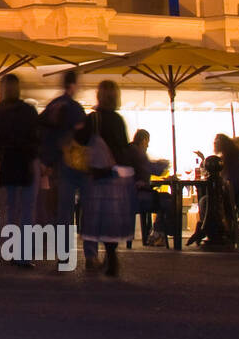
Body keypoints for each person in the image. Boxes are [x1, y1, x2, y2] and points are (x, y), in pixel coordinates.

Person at [0, 74, 41, 267]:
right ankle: (23, 256)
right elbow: (37, 136)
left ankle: (8, 249)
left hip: (7, 163)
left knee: (9, 208)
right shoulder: (28, 110)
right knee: (27, 210)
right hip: (26, 162)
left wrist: (1, 150)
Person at [79, 80, 133, 276]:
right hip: (116, 176)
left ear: (99, 96)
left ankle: (91, 257)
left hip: (96, 175)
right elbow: (124, 148)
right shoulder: (119, 120)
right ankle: (111, 256)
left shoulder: (93, 119)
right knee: (111, 218)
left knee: (93, 216)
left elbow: (80, 141)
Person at [39, 69, 89, 248]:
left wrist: (46, 160)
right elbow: (82, 135)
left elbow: (41, 133)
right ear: (73, 85)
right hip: (71, 162)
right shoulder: (73, 108)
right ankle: (82, 251)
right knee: (75, 206)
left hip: (53, 163)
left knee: (60, 208)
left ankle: (62, 250)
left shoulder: (53, 105)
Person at [123, 129, 170, 246]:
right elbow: (154, 170)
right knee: (169, 200)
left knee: (162, 198)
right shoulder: (138, 153)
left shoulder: (128, 151)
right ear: (144, 140)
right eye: (147, 142)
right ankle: (158, 233)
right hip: (138, 198)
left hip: (126, 196)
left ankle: (155, 233)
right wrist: (164, 163)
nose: (148, 145)